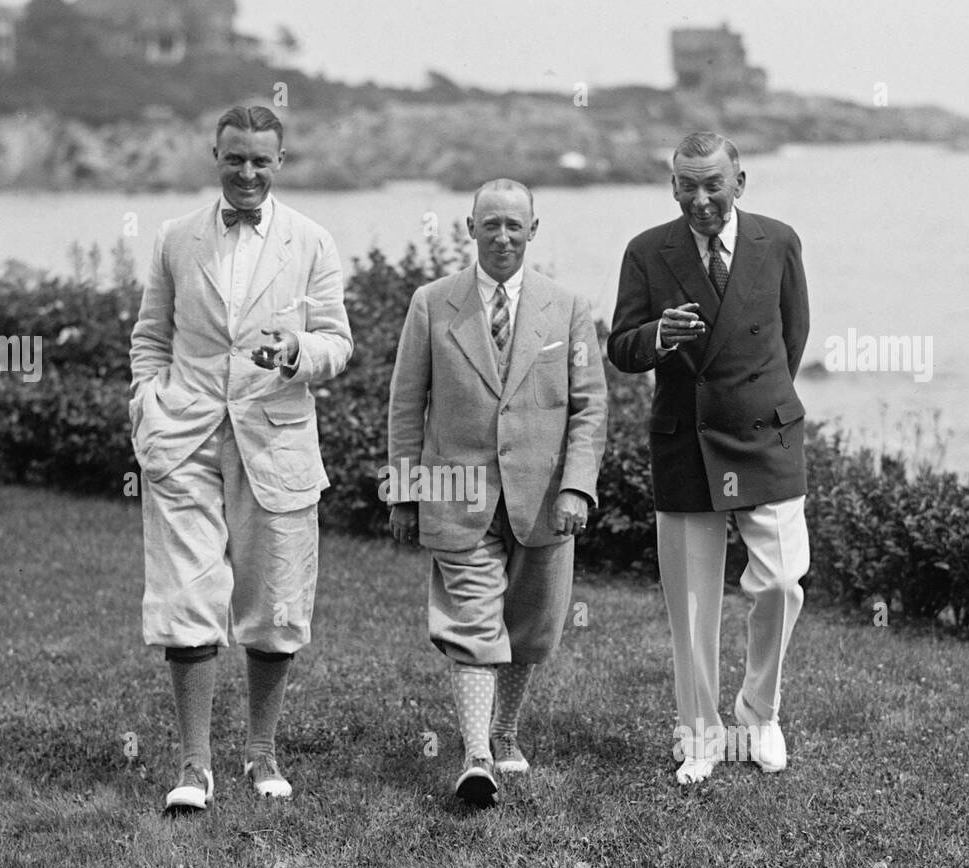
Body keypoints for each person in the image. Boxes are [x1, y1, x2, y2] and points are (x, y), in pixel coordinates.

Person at [129, 104, 352, 811]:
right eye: (235, 158)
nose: (247, 172)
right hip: (185, 436)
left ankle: (262, 753)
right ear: (214, 155)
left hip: (275, 435)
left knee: (275, 600)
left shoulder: (311, 242)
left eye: (260, 160)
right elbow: (150, 336)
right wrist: (148, 405)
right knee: (187, 596)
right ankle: (195, 765)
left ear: (280, 162)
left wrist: (297, 352)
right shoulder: (176, 237)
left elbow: (338, 342)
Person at [387, 179, 607, 806]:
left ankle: (506, 730)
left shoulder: (566, 309)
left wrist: (577, 489)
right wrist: (406, 493)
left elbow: (590, 409)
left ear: (533, 230)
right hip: (457, 492)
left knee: (532, 625)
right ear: (469, 227)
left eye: (515, 225)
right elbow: (407, 404)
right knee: (472, 622)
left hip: (543, 500)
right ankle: (477, 754)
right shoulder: (432, 304)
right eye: (491, 224)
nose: (503, 236)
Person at [607, 132, 810, 784]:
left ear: (740, 182)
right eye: (687, 185)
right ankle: (699, 734)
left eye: (712, 184)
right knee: (692, 605)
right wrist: (660, 336)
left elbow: (792, 332)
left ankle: (759, 711)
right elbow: (622, 345)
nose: (701, 199)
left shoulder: (778, 242)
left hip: (765, 435)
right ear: (673, 187)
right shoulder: (646, 251)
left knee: (782, 582)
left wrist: (758, 395)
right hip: (685, 440)